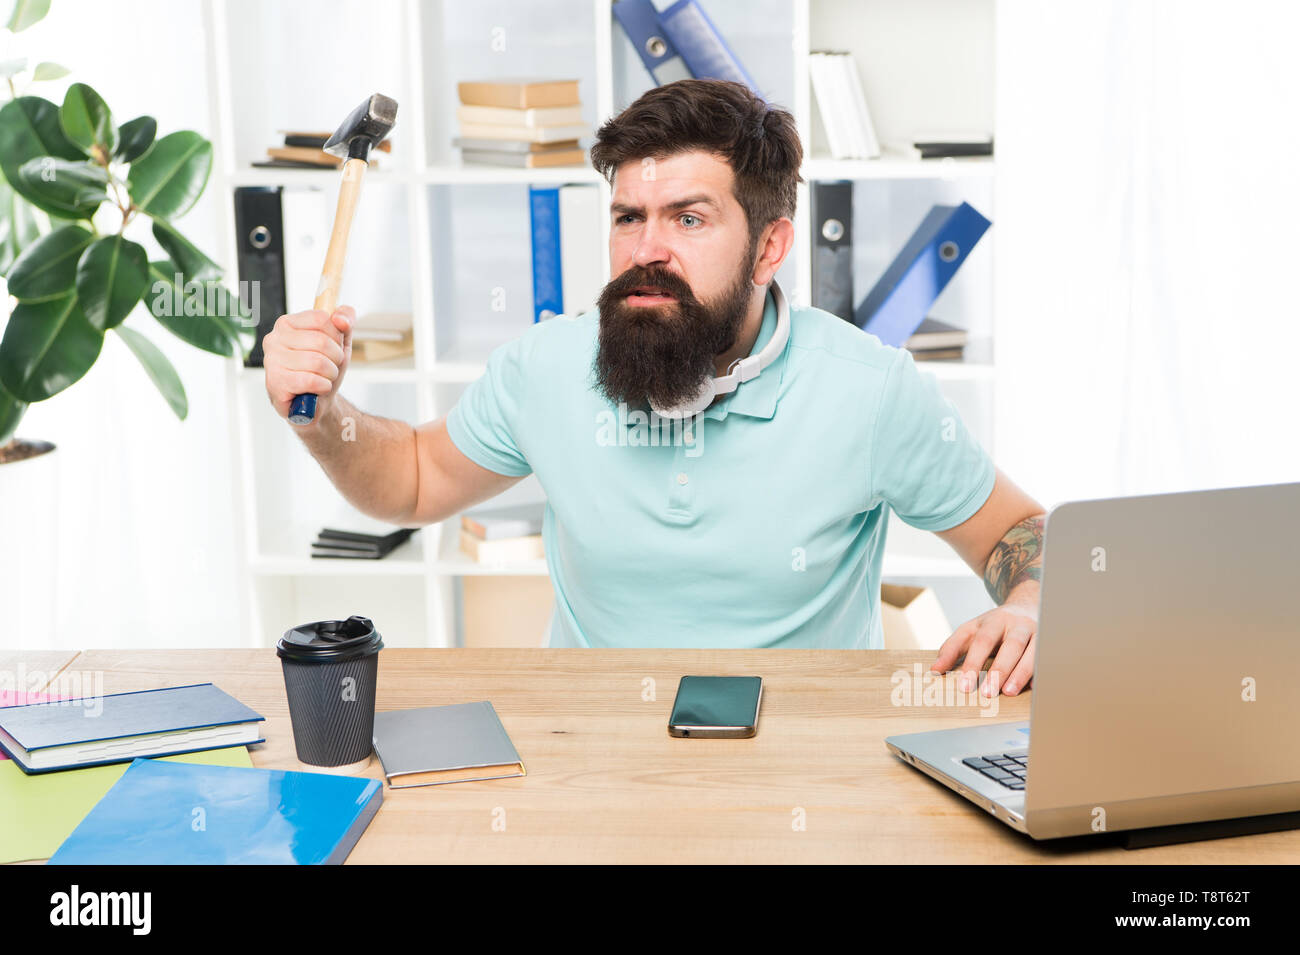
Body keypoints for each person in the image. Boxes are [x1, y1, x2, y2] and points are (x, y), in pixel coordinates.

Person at [262, 79, 1043, 697]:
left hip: (805, 770)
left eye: (689, 219)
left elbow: (1020, 532)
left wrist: (1030, 604)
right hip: (590, 758)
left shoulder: (869, 391)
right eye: (629, 217)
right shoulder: (546, 367)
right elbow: (412, 481)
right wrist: (325, 417)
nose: (648, 250)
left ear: (770, 246)